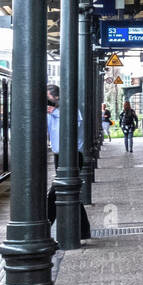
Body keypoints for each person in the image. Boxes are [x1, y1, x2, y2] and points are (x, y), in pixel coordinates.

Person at [45, 85, 90, 238]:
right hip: (59, 156)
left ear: (56, 97)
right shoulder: (51, 114)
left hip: (72, 155)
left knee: (59, 192)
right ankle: (83, 230)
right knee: (68, 192)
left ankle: (44, 226)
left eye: (48, 98)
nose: (47, 103)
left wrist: (55, 112)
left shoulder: (70, 110)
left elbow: (73, 125)